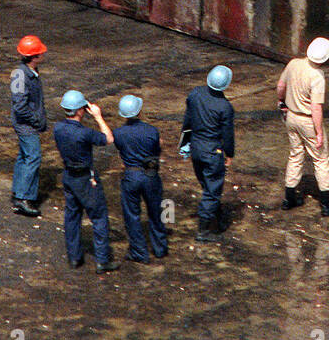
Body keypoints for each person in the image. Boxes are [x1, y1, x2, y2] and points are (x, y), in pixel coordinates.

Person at [277, 37, 329, 216]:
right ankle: (327, 204)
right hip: (307, 120)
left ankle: (289, 198)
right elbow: (316, 107)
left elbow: (280, 85)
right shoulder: (318, 76)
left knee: (295, 155)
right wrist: (319, 132)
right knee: (321, 159)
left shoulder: (293, 63)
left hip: (291, 117)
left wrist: (281, 102)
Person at [53, 90, 117, 272]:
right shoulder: (85, 133)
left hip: (68, 176)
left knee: (72, 216)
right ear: (81, 110)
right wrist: (98, 116)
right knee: (98, 217)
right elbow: (108, 139)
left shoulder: (58, 128)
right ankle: (102, 261)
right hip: (86, 179)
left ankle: (74, 258)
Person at [181, 66, 235, 242]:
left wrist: (184, 144)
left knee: (206, 183)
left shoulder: (195, 94)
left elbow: (187, 120)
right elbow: (227, 134)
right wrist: (230, 153)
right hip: (212, 151)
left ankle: (216, 213)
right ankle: (203, 232)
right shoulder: (225, 107)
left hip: (196, 146)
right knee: (212, 189)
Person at [113, 94, 168, 264]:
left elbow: (121, 150)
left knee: (132, 214)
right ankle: (160, 248)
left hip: (131, 175)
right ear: (139, 111)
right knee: (156, 211)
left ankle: (139, 252)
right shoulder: (152, 131)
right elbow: (156, 150)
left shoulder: (118, 133)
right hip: (150, 174)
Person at [10, 34, 48, 218]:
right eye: (40, 53)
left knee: (24, 157)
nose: (43, 55)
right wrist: (36, 120)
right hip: (26, 125)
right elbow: (20, 107)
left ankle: (18, 192)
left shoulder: (29, 71)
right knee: (33, 157)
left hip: (26, 123)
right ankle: (23, 199)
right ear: (34, 57)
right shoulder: (20, 75)